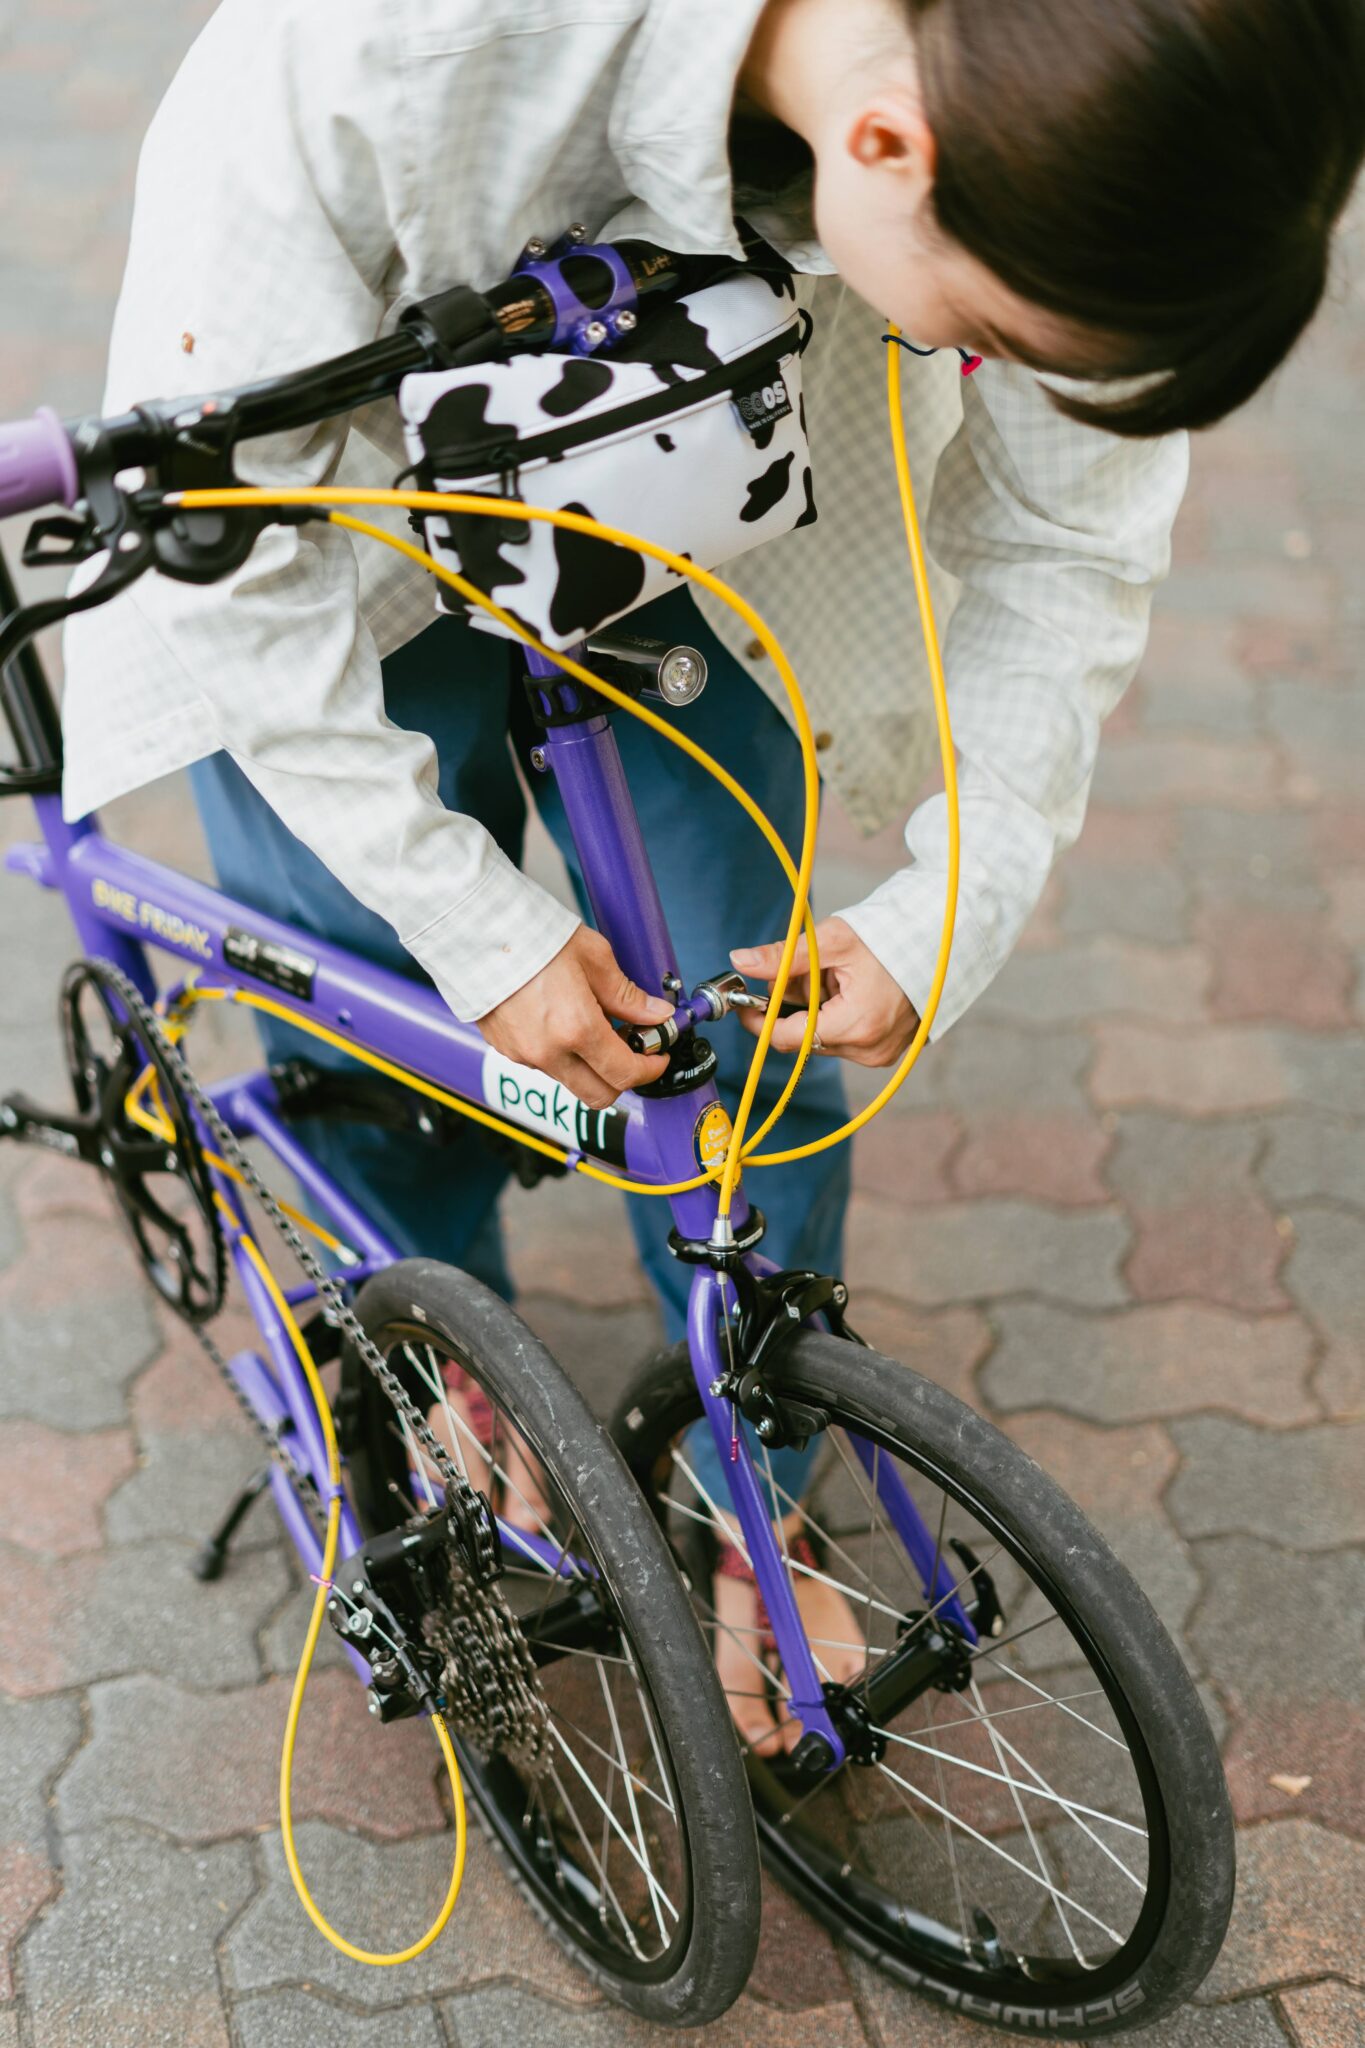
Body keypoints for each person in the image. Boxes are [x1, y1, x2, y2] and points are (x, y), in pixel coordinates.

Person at [60, 0, 1365, 1751]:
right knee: (363, 990)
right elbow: (240, 576)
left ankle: (763, 1469)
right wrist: (471, 926)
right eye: (984, 338)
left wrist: (936, 915)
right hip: (326, 548)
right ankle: (426, 1347)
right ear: (887, 148)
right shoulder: (387, 55)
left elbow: (1067, 541)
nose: (974, 362)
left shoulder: (1059, 115)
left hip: (686, 519)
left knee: (745, 1006)